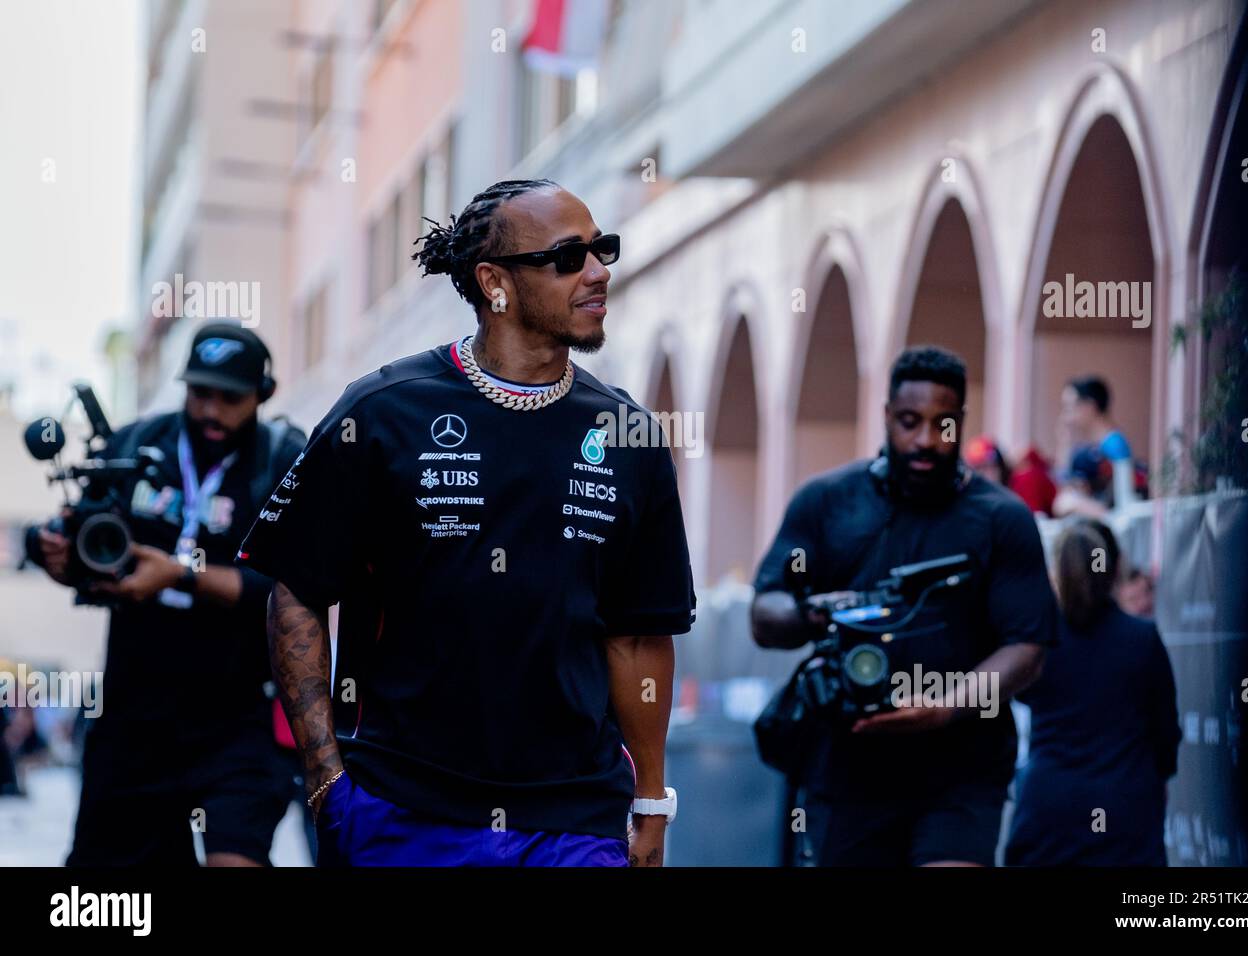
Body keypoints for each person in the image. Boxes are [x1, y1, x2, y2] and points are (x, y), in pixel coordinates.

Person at [236, 179, 696, 867]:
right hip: (407, 810)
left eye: (603, 250)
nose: (599, 272)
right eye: (569, 257)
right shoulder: (385, 411)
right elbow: (297, 589)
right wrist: (327, 777)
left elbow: (637, 636)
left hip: (576, 819)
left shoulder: (628, 434)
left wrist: (652, 799)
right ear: (495, 283)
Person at [751, 345, 1059, 867]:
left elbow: (1028, 647)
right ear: (887, 417)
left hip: (963, 769)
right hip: (847, 766)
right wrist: (815, 611)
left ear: (961, 423)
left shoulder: (1003, 518)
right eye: (910, 422)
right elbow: (764, 613)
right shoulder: (826, 501)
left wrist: (947, 704)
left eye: (942, 425)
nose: (924, 440)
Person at [30, 321, 306, 866]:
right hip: (133, 718)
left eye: (230, 397)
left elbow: (292, 589)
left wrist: (182, 575)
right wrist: (58, 558)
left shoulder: (283, 459)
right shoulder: (132, 445)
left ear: (263, 394)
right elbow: (86, 547)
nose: (210, 411)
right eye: (199, 392)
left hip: (240, 717)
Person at [1004, 521, 1181, 865]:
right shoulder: (1141, 639)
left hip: (1048, 806)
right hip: (1125, 805)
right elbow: (1165, 729)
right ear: (1115, 569)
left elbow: (1017, 692)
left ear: (1056, 572)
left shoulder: (1036, 643)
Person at [1053, 375, 1144, 516]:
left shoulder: (1115, 444)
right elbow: (1063, 486)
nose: (1066, 417)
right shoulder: (1086, 447)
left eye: (1070, 408)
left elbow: (1125, 503)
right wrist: (1064, 444)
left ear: (1090, 406)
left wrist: (1076, 504)